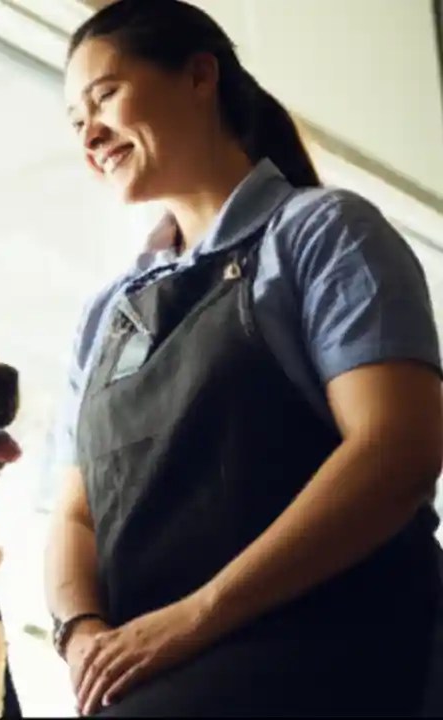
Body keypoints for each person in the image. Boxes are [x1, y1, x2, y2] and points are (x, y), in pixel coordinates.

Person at [44, 0, 443, 715]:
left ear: (201, 76)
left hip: (331, 649)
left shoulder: (322, 232)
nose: (90, 134)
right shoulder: (106, 314)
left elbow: (398, 448)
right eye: (75, 121)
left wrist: (194, 617)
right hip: (161, 667)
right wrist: (83, 637)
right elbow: (73, 516)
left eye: (104, 97)